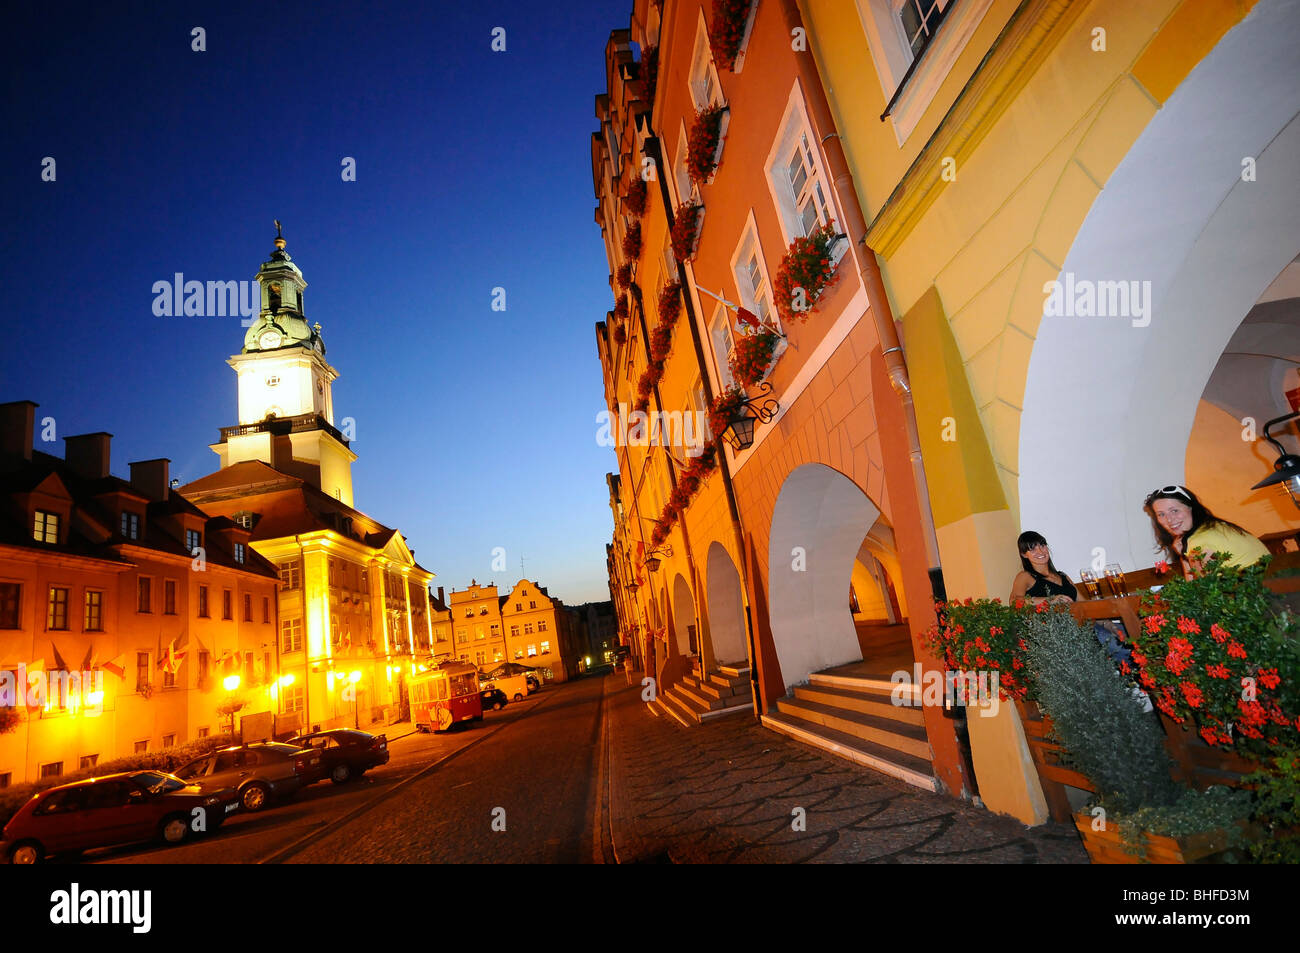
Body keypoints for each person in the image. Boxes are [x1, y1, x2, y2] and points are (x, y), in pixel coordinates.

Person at [1144, 485, 1268, 577]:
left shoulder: (1199, 542)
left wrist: (1185, 556)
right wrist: (1184, 555)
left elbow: (1201, 591)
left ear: (1191, 507)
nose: (1169, 519)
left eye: (1174, 511)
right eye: (1161, 514)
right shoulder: (1216, 526)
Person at [1010, 531, 1077, 605]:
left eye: (1042, 545)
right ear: (1024, 555)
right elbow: (1013, 601)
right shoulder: (1025, 576)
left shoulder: (1063, 576)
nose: (1040, 551)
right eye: (1032, 549)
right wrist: (1050, 600)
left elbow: (1084, 603)